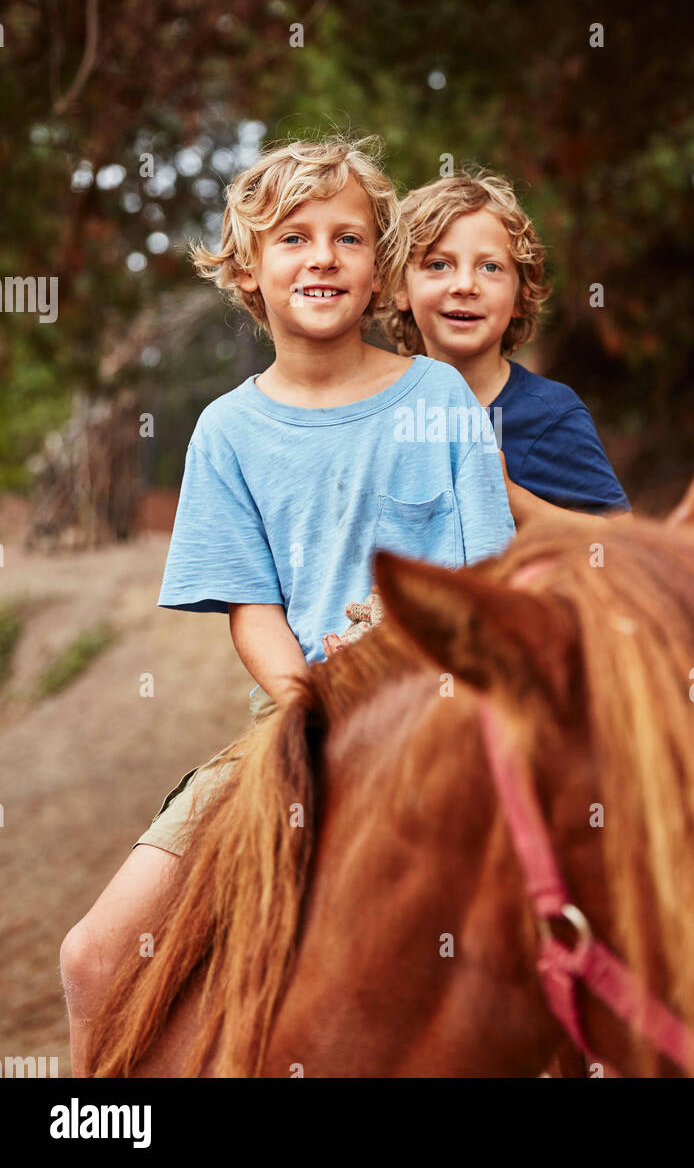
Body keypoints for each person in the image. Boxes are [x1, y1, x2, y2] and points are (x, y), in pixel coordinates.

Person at [59, 136, 515, 1074]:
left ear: (378, 268)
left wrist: (410, 642)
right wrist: (311, 692)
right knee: (94, 959)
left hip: (441, 715)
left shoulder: (437, 401)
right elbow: (252, 609)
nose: (322, 257)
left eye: (348, 239)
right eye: (293, 239)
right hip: (289, 733)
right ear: (245, 269)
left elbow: (488, 578)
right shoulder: (225, 432)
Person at [382, 169, 630, 527]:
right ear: (399, 288)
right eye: (439, 264)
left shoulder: (550, 414)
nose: (465, 285)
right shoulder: (373, 409)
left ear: (520, 296)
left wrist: (509, 495)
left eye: (490, 267)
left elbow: (622, 541)